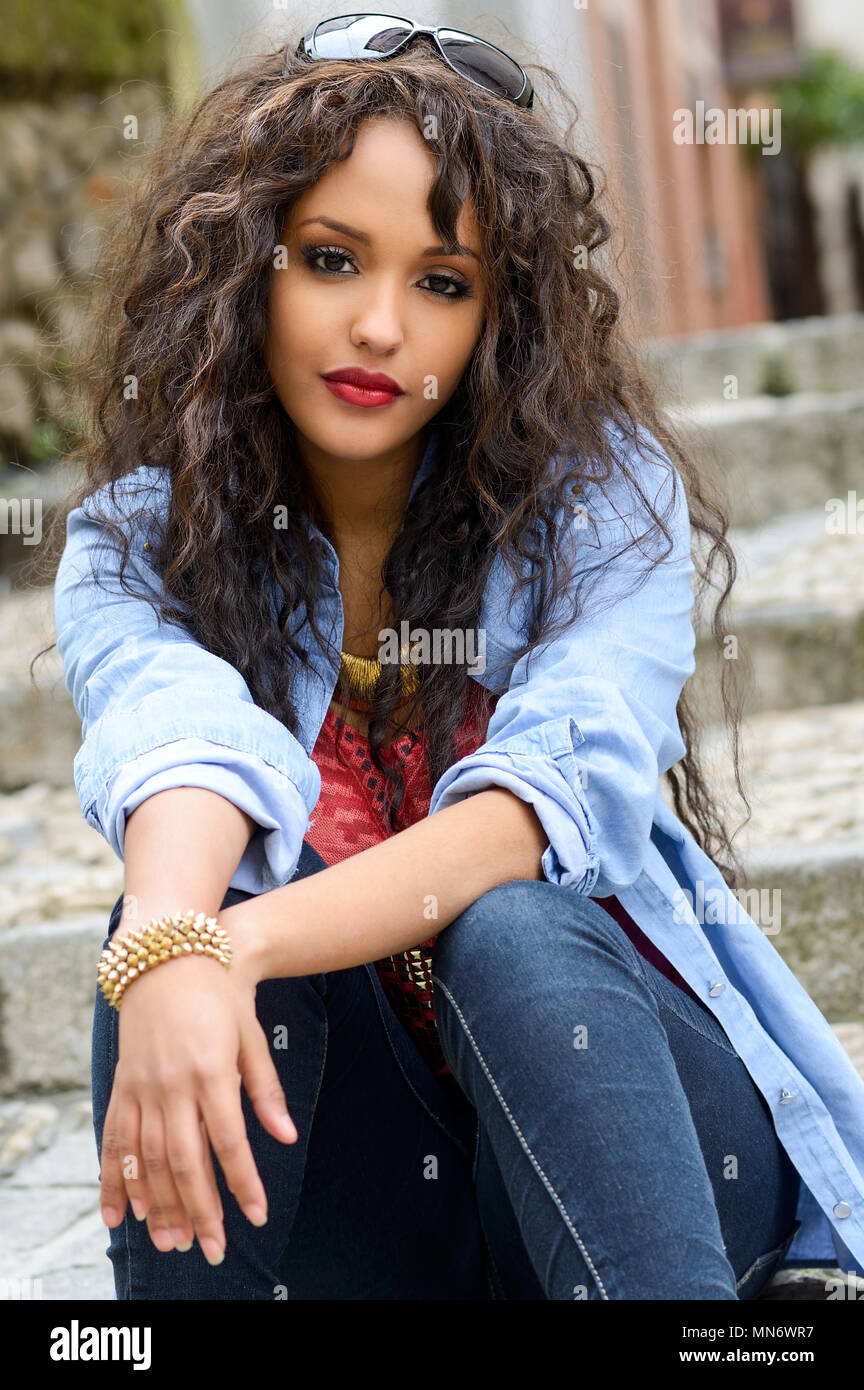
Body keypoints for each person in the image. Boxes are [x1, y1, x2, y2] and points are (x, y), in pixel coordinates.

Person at [44, 18, 864, 1300]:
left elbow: (535, 807)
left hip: (643, 1150)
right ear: (245, 269)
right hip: (383, 1200)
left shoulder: (597, 502)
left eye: (442, 281)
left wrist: (227, 948)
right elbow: (177, 740)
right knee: (172, 921)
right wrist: (172, 939)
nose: (380, 325)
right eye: (330, 259)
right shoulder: (138, 542)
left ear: (499, 315)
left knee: (515, 934)